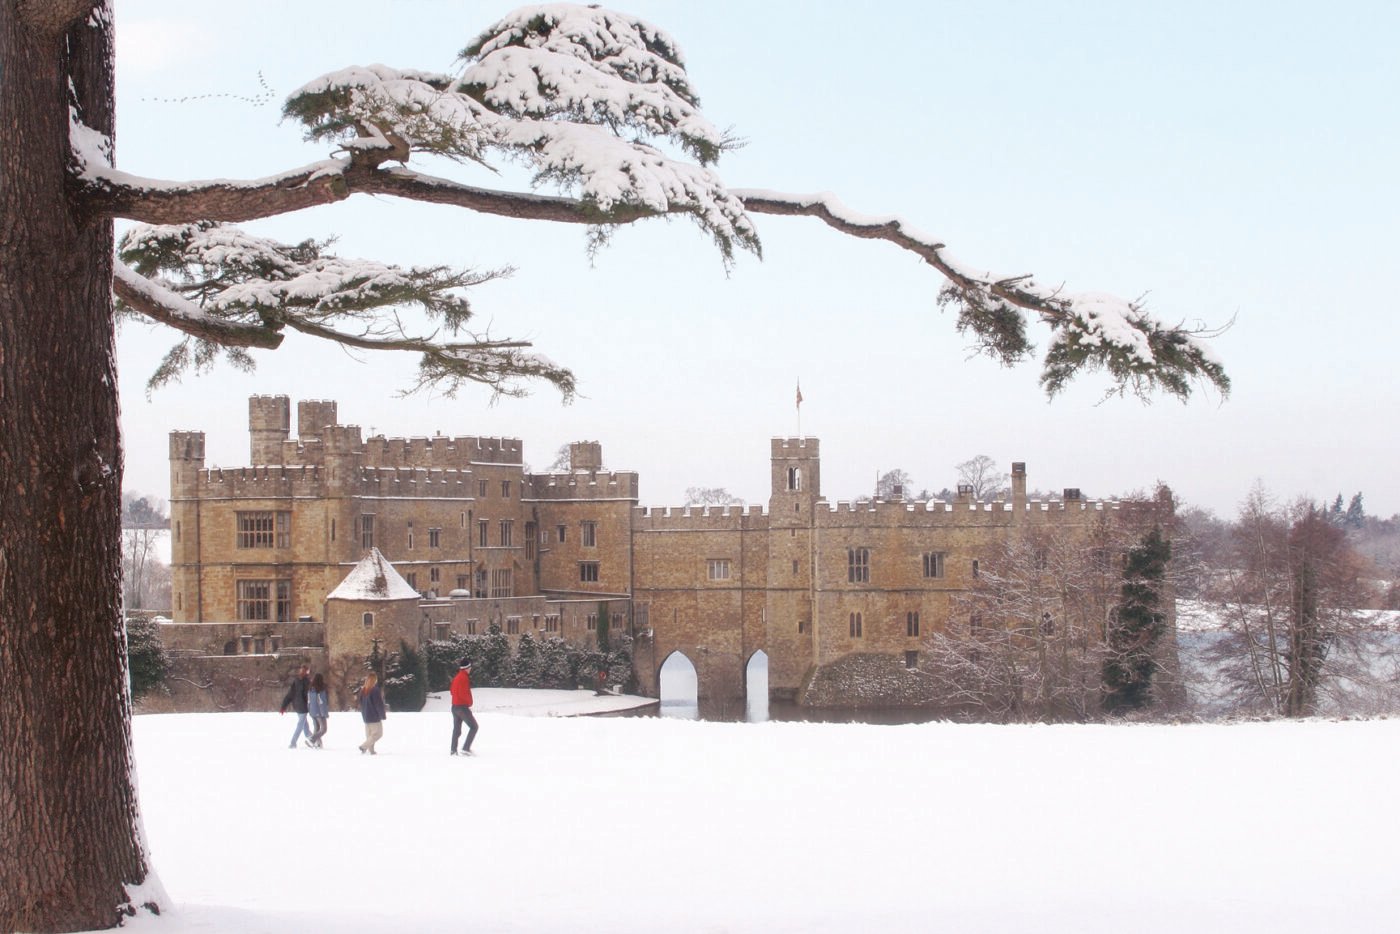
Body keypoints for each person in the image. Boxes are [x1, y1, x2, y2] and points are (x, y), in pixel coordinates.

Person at [449, 658, 478, 756]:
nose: (470, 669)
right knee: (474, 727)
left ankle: (453, 750)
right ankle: (466, 748)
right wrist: (469, 703)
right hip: (462, 707)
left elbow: (452, 691)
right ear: (467, 668)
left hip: (454, 707)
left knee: (456, 730)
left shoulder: (456, 677)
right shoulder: (464, 678)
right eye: (470, 667)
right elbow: (465, 693)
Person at [279, 663, 311, 749]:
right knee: (300, 725)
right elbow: (307, 695)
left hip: (296, 706)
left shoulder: (296, 681)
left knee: (304, 725)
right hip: (303, 707)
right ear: (307, 672)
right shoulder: (306, 681)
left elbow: (290, 695)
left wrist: (283, 706)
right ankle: (293, 742)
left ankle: (311, 738)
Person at [358, 672, 386, 755]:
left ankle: (371, 750)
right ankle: (364, 746)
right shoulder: (375, 690)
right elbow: (378, 704)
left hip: (366, 715)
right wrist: (382, 715)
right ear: (374, 680)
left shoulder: (363, 690)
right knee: (378, 734)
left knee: (370, 734)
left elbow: (360, 703)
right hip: (374, 716)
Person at [307, 672, 329, 748]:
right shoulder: (321, 690)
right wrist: (324, 713)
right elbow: (322, 702)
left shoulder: (310, 689)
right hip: (320, 712)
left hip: (312, 711)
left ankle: (318, 744)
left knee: (316, 728)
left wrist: (309, 710)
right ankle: (312, 739)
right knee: (324, 729)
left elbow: (309, 701)